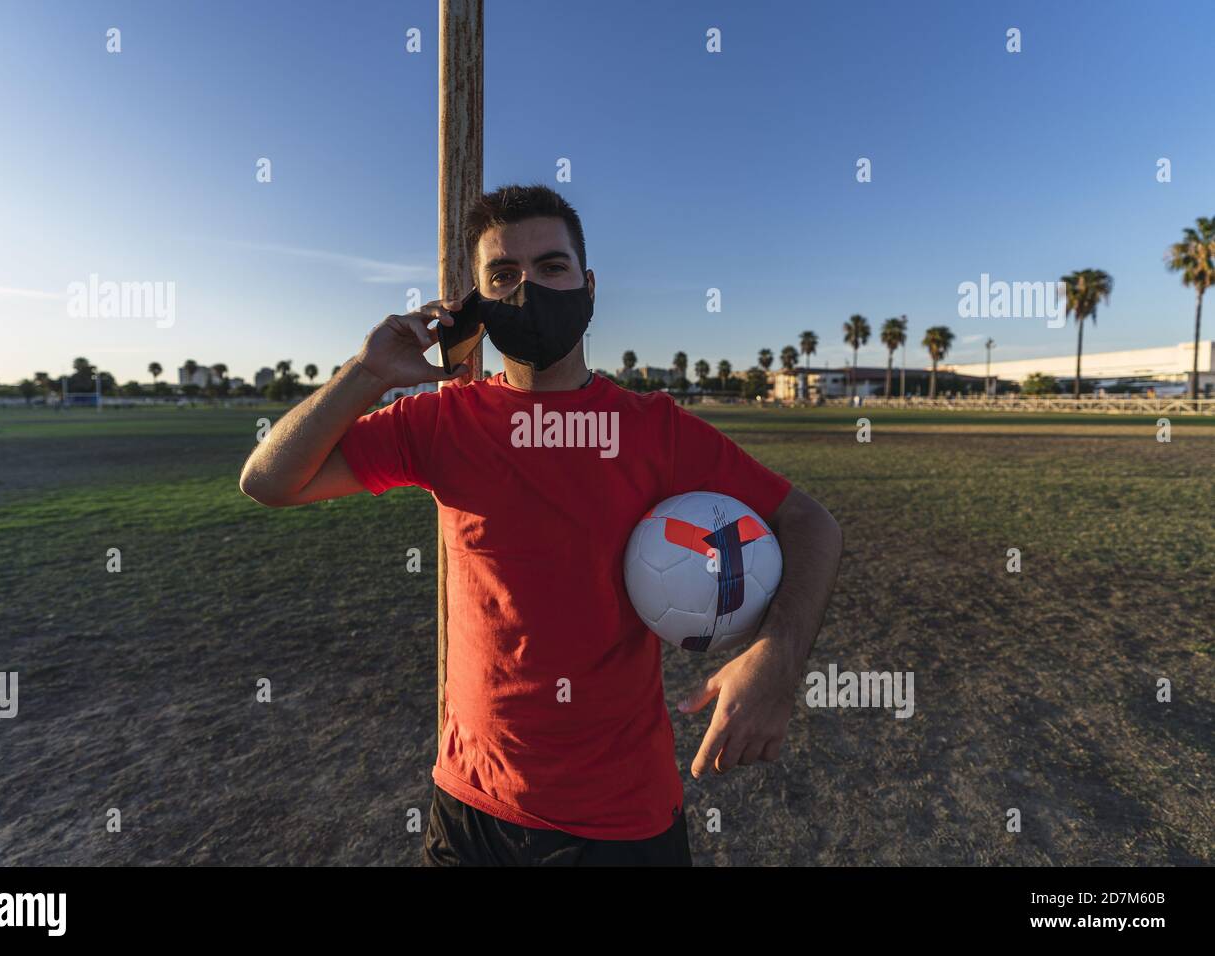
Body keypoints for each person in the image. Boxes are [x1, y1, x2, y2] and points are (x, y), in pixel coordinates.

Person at [239, 184, 843, 866]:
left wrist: (775, 661)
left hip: (618, 821)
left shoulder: (656, 430)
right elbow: (268, 481)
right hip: (469, 807)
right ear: (475, 304)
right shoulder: (439, 422)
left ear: (588, 286)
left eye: (551, 268)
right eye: (503, 275)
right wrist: (369, 373)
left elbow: (808, 522)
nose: (528, 288)